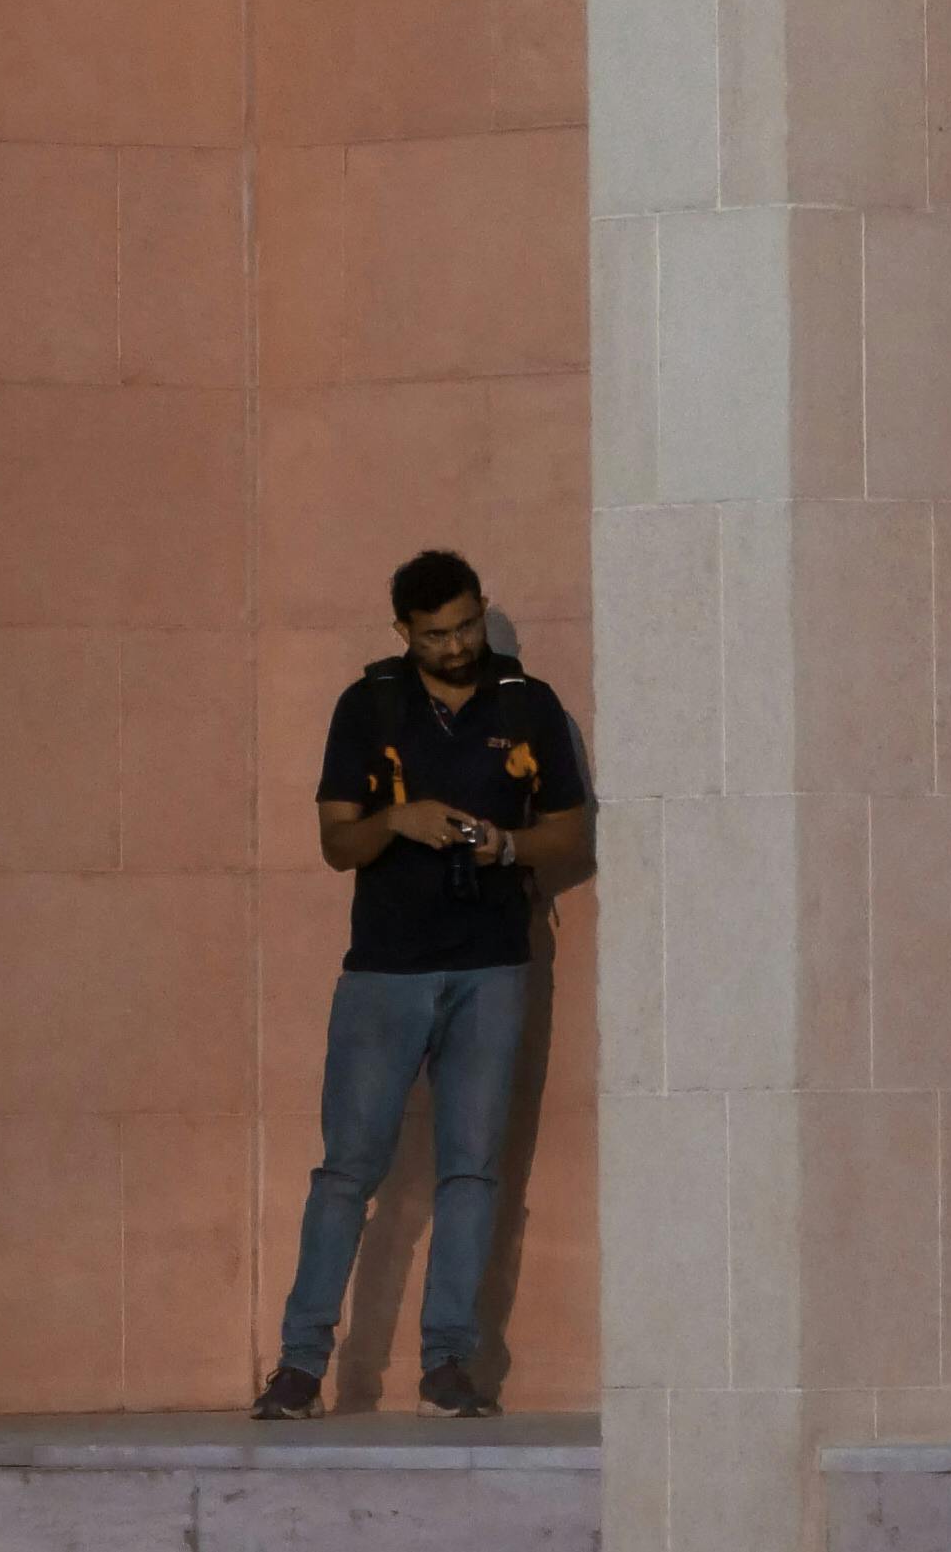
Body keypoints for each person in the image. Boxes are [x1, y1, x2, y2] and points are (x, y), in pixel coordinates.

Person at [251, 548, 590, 1420]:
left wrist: (505, 845)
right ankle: (300, 1365)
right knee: (347, 1169)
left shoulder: (527, 702)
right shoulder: (369, 704)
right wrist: (399, 819)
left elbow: (570, 831)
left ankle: (448, 1363)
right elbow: (336, 842)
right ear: (403, 630)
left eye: (468, 624)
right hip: (386, 968)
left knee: (472, 1170)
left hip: (493, 963)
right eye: (436, 633)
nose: (457, 644)